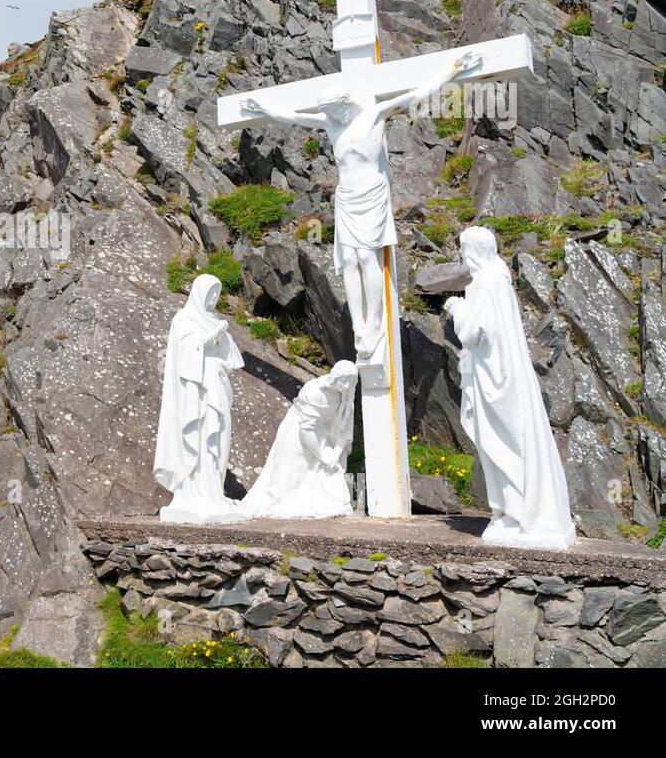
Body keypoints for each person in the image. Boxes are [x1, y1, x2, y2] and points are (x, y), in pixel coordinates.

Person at [244, 50, 483, 360]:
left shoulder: (373, 115)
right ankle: (360, 327)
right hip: (346, 197)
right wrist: (263, 106)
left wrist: (451, 71)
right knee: (351, 261)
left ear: (345, 105)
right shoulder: (332, 126)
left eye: (335, 111)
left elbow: (416, 94)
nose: (332, 117)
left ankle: (374, 322)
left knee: (368, 259)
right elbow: (292, 117)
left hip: (370, 194)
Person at [445, 227, 576, 549]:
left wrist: (456, 309)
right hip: (503, 375)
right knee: (511, 443)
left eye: (463, 249)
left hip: (495, 382)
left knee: (502, 445)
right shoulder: (499, 279)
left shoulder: (484, 285)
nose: (462, 256)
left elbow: (474, 334)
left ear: (473, 250)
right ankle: (510, 513)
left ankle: (516, 514)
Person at [153, 274, 244, 523]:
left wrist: (223, 336)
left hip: (217, 386)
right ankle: (196, 492)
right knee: (202, 436)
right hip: (196, 392)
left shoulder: (214, 319)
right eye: (210, 293)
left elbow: (234, 359)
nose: (213, 299)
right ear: (198, 293)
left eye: (217, 293)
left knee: (219, 438)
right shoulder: (184, 319)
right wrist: (212, 335)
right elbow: (185, 355)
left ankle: (215, 490)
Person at [230, 362, 358, 519]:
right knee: (291, 472)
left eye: (350, 382)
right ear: (335, 377)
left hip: (324, 435)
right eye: (344, 380)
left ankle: (321, 501)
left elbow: (344, 432)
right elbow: (307, 430)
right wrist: (324, 456)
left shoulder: (346, 397)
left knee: (330, 472)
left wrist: (334, 454)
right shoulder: (315, 392)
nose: (347, 385)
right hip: (299, 432)